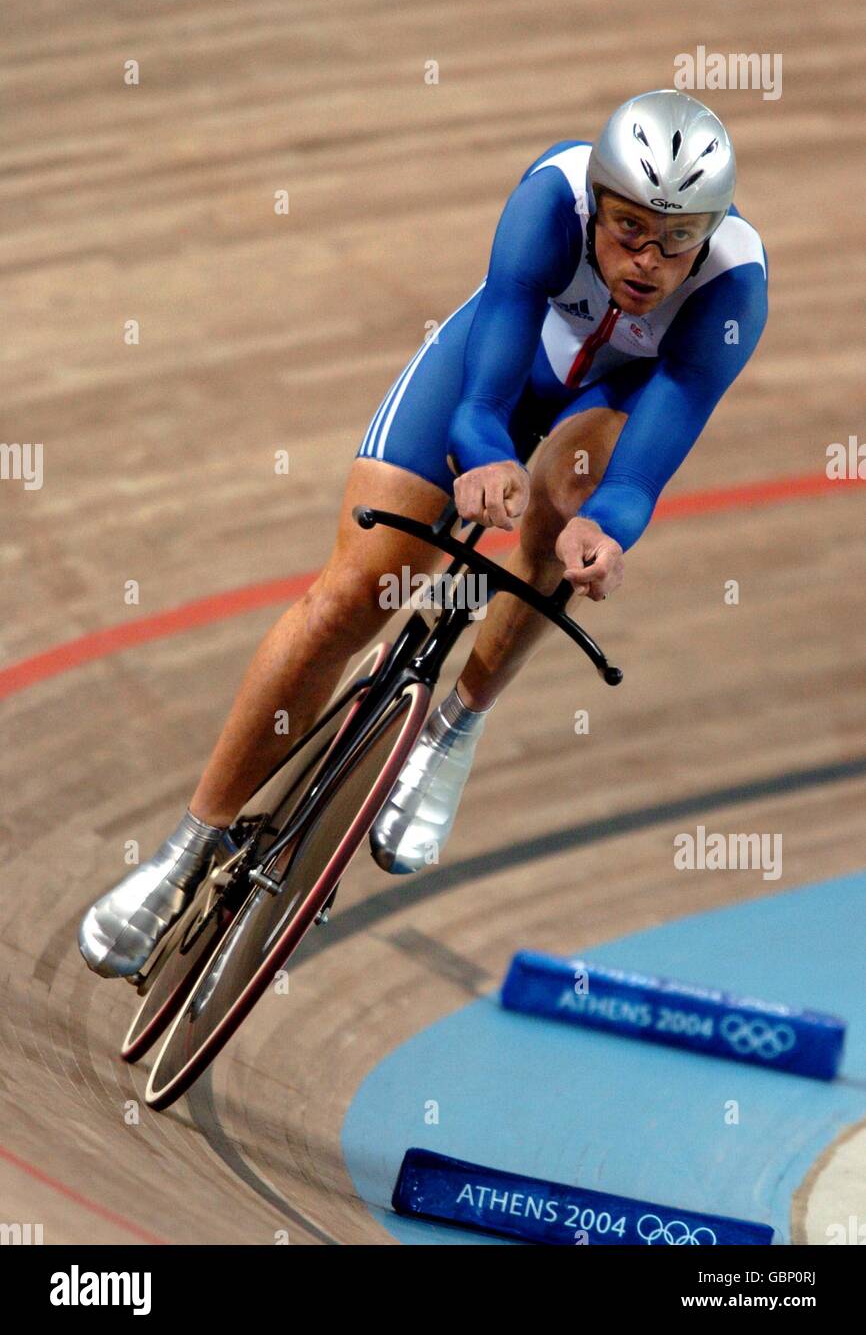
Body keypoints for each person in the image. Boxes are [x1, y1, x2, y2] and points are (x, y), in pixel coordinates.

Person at [79, 89, 768, 979]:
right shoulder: (549, 199)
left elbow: (645, 470)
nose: (648, 259)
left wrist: (602, 533)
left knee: (576, 491)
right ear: (598, 201)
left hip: (608, 403)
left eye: (677, 238)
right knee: (349, 600)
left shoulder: (734, 288)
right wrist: (479, 454)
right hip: (498, 360)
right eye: (631, 227)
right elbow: (483, 401)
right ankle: (185, 845)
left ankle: (457, 725)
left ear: (709, 233)